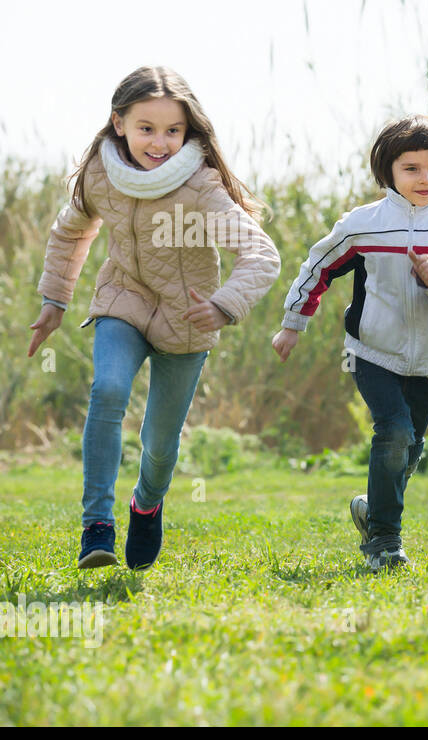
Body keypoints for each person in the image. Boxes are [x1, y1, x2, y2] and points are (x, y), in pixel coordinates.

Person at [29, 66, 280, 571]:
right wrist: (55, 300)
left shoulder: (202, 186)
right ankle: (96, 525)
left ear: (189, 133)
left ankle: (146, 503)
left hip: (187, 320)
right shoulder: (100, 175)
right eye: (146, 128)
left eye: (173, 131)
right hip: (122, 299)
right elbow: (71, 234)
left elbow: (261, 253)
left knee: (160, 447)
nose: (160, 142)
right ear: (119, 123)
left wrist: (223, 304)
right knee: (109, 389)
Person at [272, 115, 428, 571]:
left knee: (412, 448)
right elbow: (317, 268)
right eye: (411, 168)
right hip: (372, 352)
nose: (425, 178)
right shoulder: (363, 224)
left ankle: (371, 508)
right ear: (387, 173)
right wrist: (292, 324)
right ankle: (384, 540)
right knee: (395, 432)